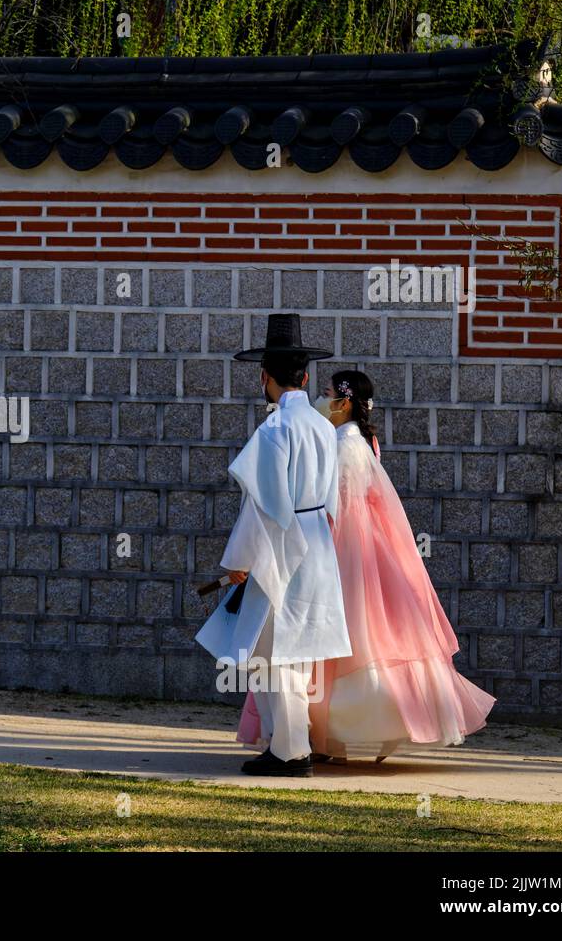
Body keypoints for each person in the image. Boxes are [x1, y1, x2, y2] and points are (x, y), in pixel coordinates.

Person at [236, 370, 496, 761]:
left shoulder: (342, 445)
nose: (320, 401)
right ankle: (319, 738)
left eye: (326, 395)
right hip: (365, 546)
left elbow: (336, 507)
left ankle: (319, 734)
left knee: (335, 640)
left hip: (344, 550)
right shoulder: (360, 441)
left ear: (342, 404)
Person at [195, 313, 350, 778]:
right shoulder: (324, 426)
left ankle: (288, 752)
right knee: (291, 655)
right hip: (317, 543)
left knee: (271, 654)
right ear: (305, 377)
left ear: (265, 377)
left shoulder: (274, 430)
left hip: (282, 548)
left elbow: (262, 505)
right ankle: (291, 744)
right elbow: (332, 498)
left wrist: (239, 561)